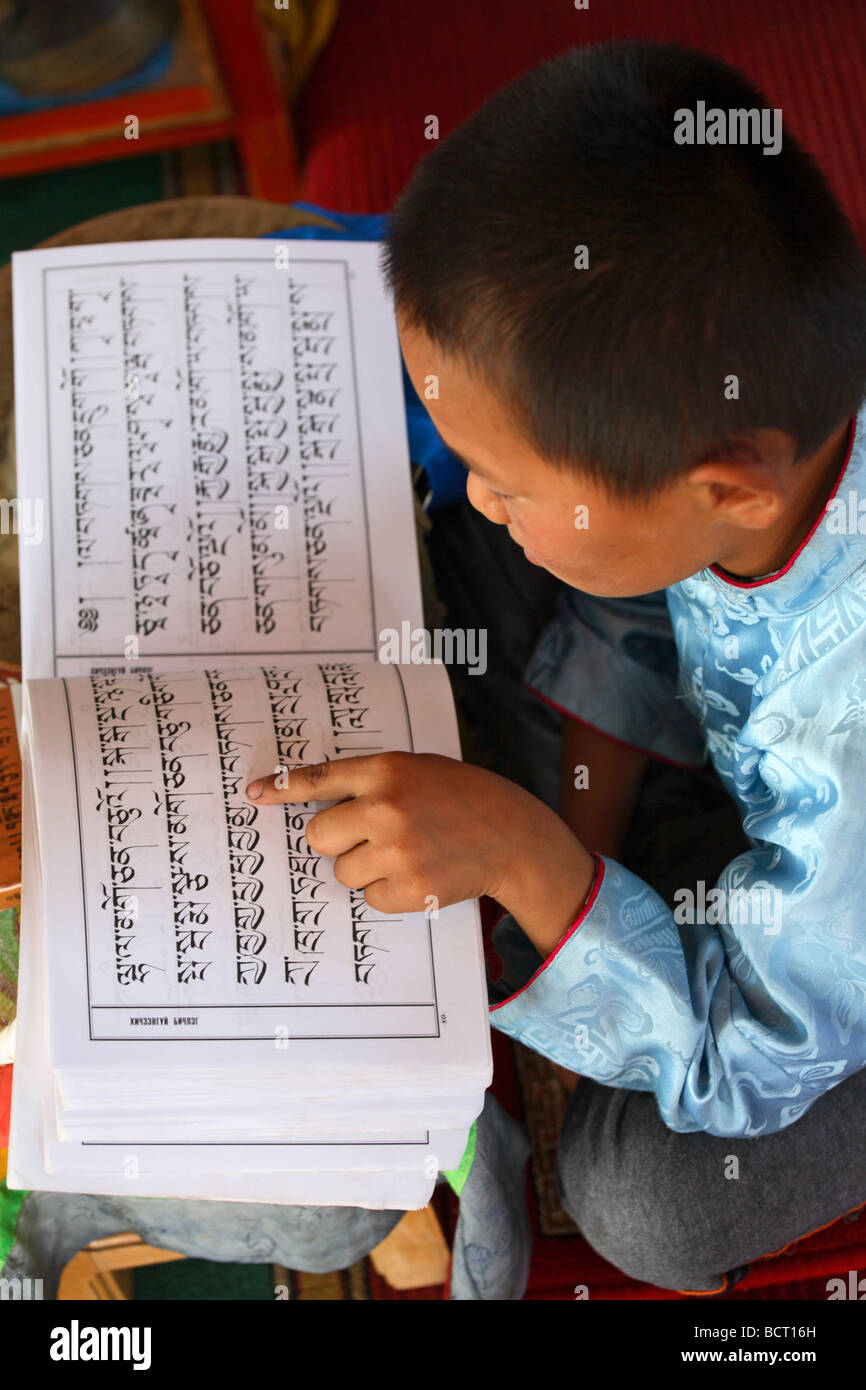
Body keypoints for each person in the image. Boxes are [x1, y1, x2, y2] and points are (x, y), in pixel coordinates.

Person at [246, 38, 866, 1293]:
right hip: (750, 805)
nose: (479, 490)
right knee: (490, 543)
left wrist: (529, 864)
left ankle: (603, 941)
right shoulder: (743, 425)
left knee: (650, 1204)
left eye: (511, 479)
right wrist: (563, 830)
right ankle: (611, 911)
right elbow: (650, 594)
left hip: (821, 962)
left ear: (722, 485)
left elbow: (751, 1058)